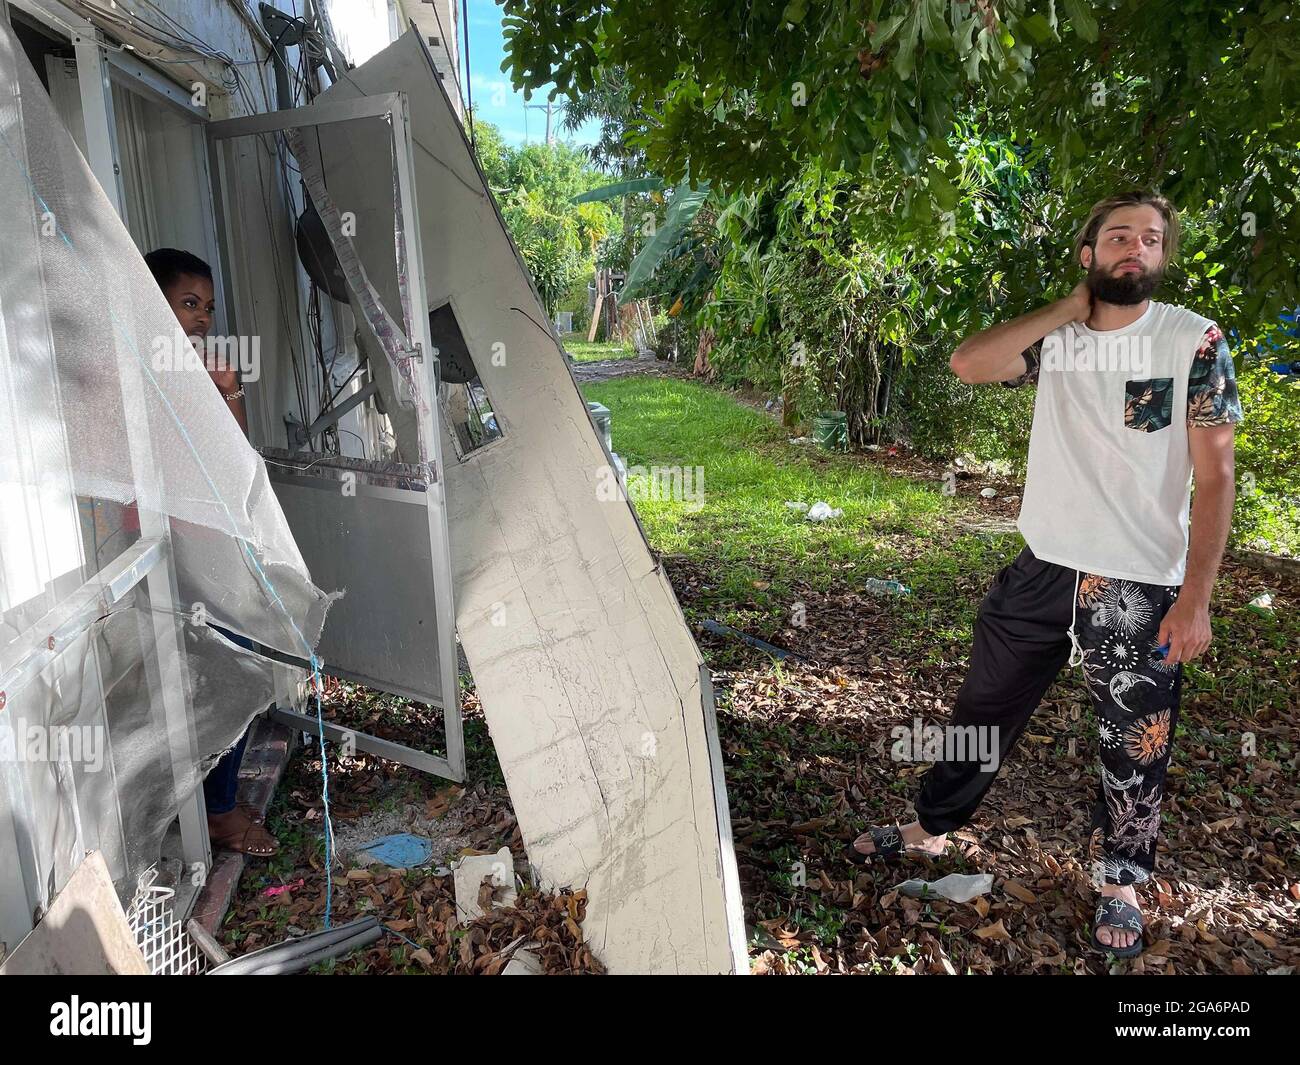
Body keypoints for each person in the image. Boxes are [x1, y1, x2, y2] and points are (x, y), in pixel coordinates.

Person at [847, 191, 1242, 958]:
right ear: (1088, 254)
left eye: (1152, 240)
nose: (1136, 248)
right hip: (1044, 565)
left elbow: (1216, 476)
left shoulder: (1192, 340)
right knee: (981, 710)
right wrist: (1069, 305)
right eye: (1118, 236)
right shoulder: (1058, 339)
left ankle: (1122, 881)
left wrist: (1196, 597)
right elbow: (969, 363)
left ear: (1163, 258)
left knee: (1134, 741)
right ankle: (930, 827)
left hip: (1136, 582)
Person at [145, 247, 278, 857]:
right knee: (222, 672)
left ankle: (214, 801)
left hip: (212, 545)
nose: (201, 318)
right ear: (155, 303)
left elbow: (238, 458)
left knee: (235, 665)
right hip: (168, 553)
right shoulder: (144, 372)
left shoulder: (202, 370)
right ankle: (215, 814)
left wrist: (229, 391)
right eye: (188, 303)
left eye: (208, 306)